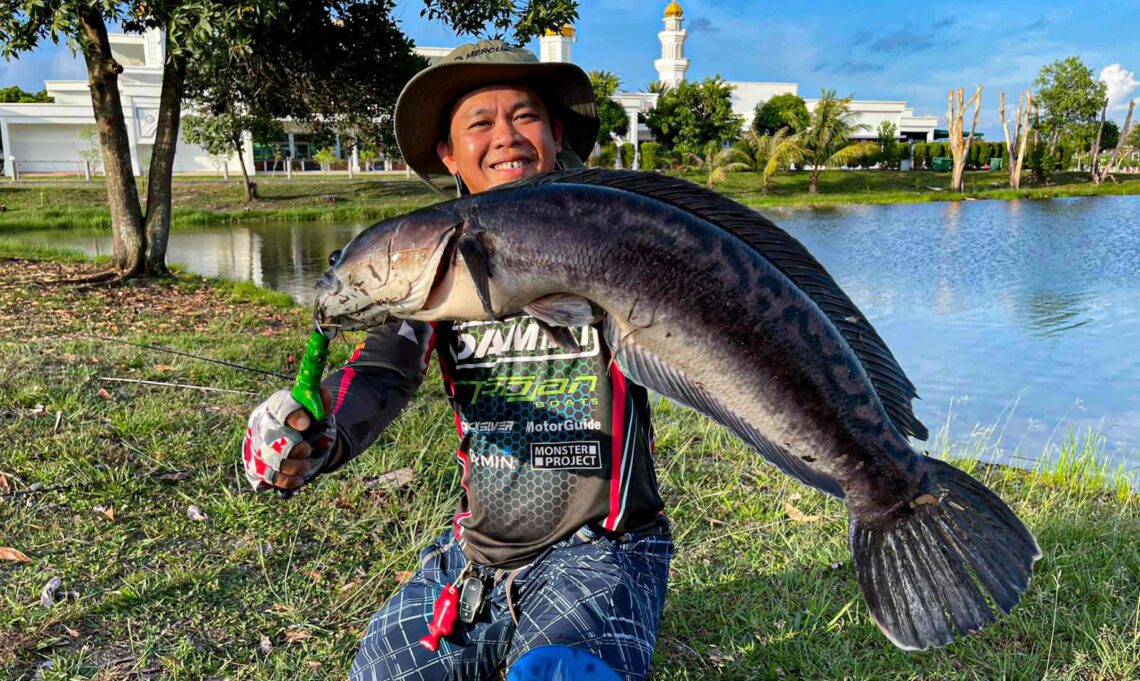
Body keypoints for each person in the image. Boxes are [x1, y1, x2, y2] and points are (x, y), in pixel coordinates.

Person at [241, 40, 672, 681]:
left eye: (525, 117)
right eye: (480, 122)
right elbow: (384, 368)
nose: (506, 137)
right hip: (474, 556)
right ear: (449, 154)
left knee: (560, 672)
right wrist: (314, 430)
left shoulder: (616, 242)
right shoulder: (432, 275)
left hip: (604, 548)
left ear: (555, 134)